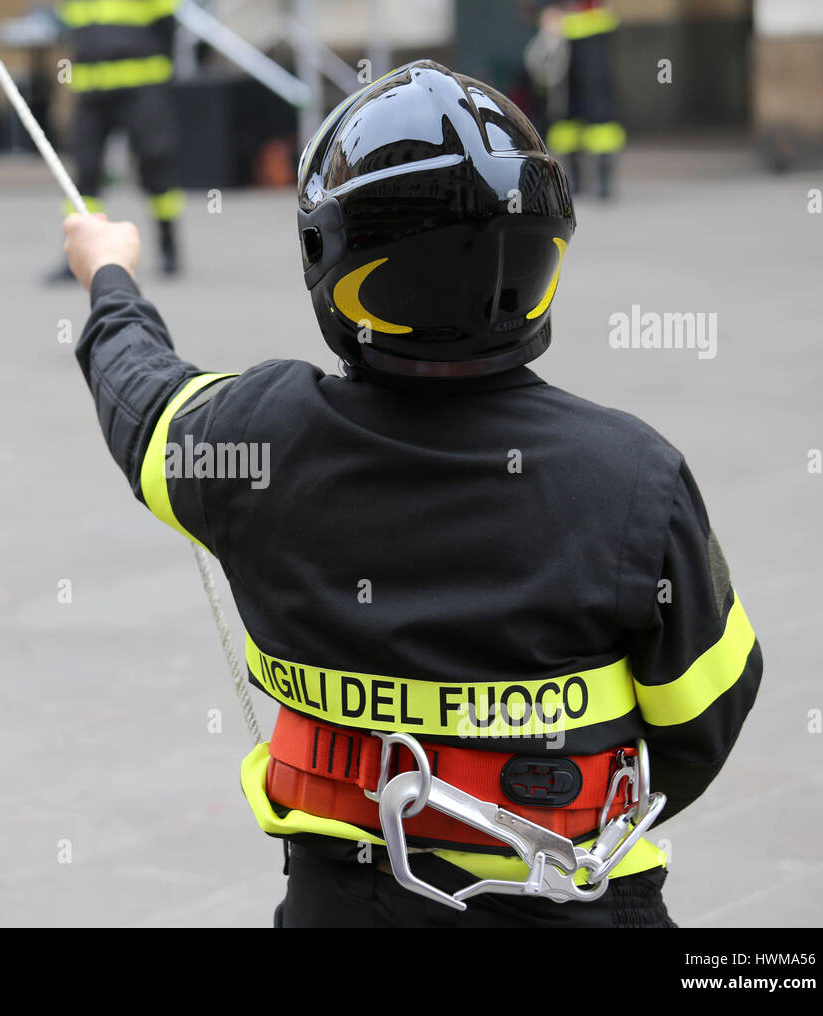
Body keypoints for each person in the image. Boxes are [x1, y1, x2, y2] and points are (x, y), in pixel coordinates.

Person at [61, 60, 761, 928]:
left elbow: (142, 402)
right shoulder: (634, 477)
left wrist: (110, 277)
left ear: (336, 262)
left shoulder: (261, 439)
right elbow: (703, 721)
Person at [48, 0, 184, 282]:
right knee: (84, 171)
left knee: (155, 163)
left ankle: (168, 244)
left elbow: (168, 28)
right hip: (92, 93)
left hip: (141, 88)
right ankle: (81, 250)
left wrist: (159, 81)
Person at [540, 0, 625, 198]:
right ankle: (574, 178)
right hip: (560, 28)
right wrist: (547, 9)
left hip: (594, 26)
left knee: (598, 107)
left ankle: (602, 179)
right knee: (566, 107)